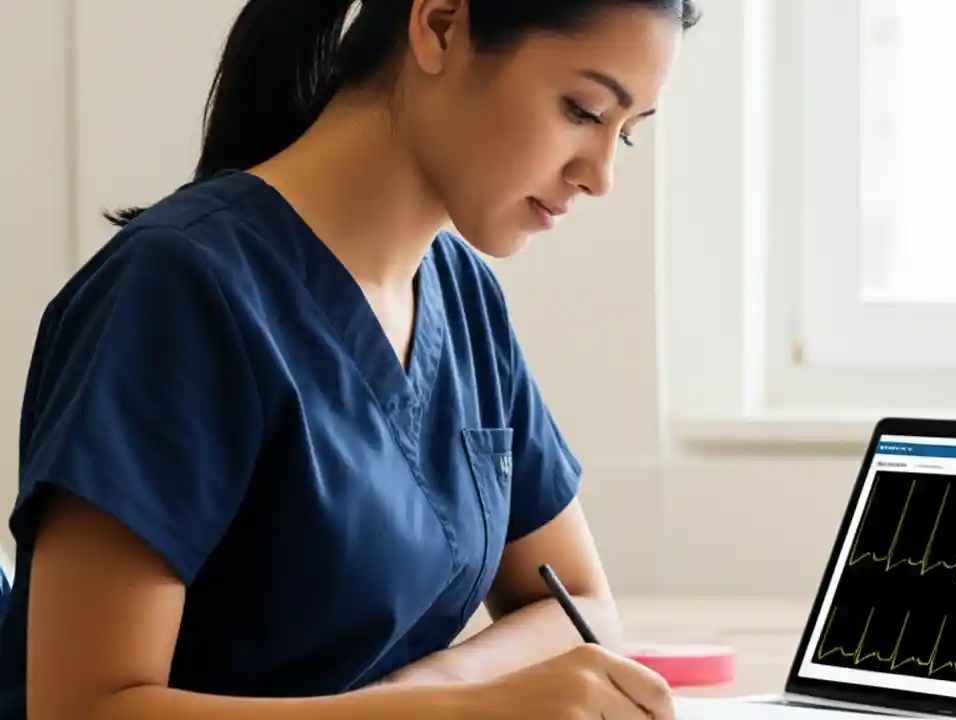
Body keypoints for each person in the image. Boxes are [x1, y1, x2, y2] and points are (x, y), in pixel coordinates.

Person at [0, 0, 699, 717]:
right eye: (582, 111)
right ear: (439, 28)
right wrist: (460, 713)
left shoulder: (462, 297)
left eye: (629, 134)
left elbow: (581, 607)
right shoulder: (177, 291)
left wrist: (429, 697)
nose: (601, 174)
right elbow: (82, 708)